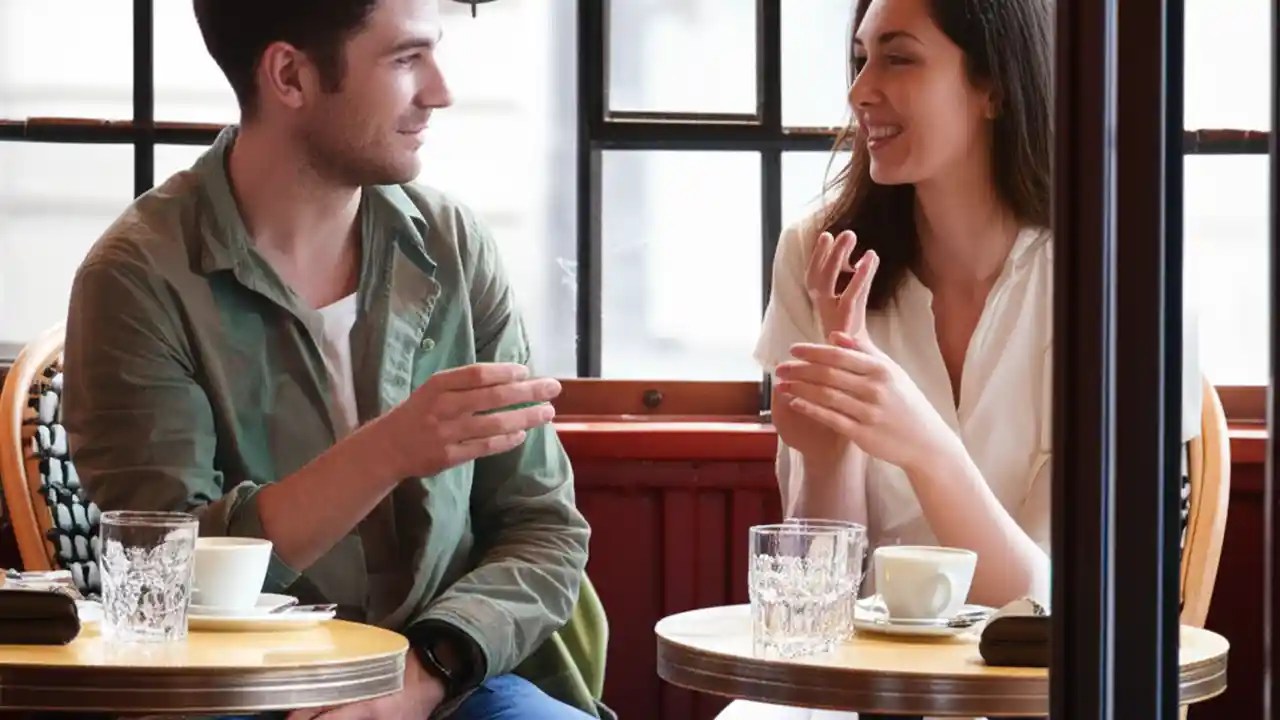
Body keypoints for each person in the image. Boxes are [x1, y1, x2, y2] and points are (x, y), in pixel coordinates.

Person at [60, 1, 605, 718]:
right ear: (290, 75)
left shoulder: (452, 245)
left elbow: (543, 527)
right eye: (406, 59)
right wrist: (386, 452)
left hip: (444, 673)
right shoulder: (138, 279)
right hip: (241, 690)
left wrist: (422, 674)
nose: (440, 90)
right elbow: (167, 574)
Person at [722, 0, 1200, 717]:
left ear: (994, 88)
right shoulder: (819, 255)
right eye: (859, 59)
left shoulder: (1118, 273)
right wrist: (828, 460)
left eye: (899, 57)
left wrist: (925, 446)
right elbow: (821, 618)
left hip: (1042, 692)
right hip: (867, 691)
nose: (859, 92)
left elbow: (1054, 614)